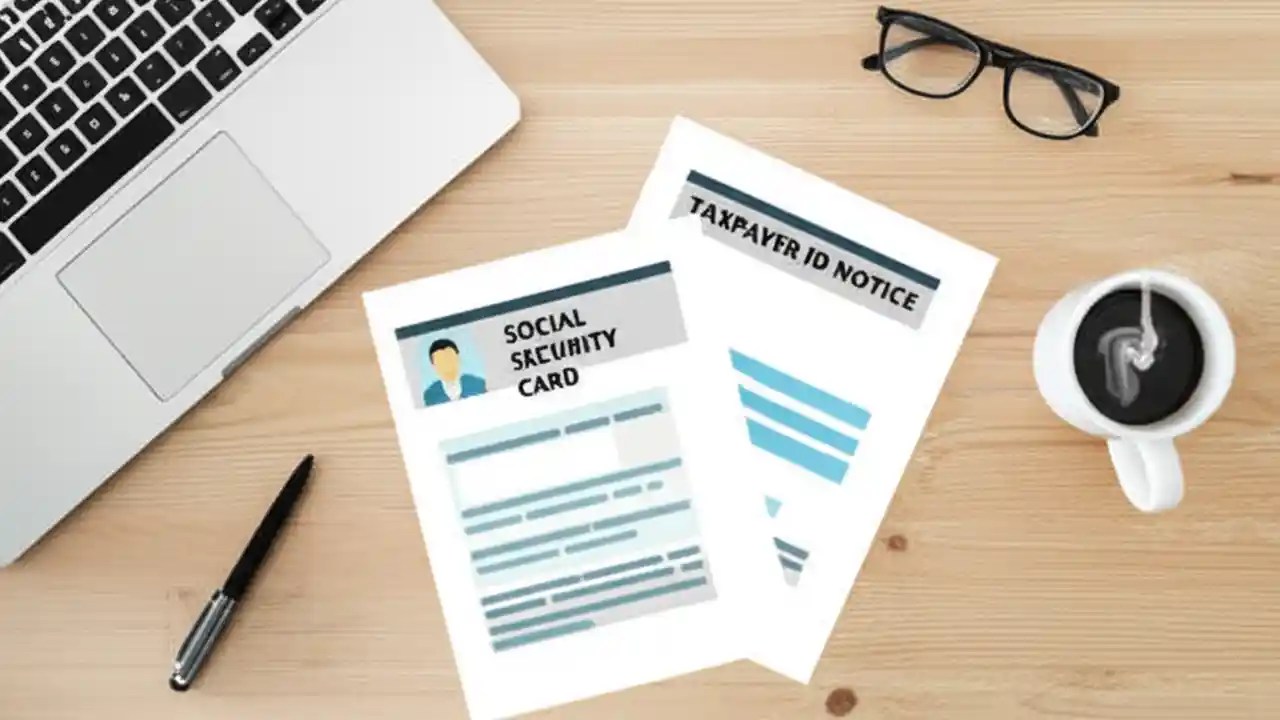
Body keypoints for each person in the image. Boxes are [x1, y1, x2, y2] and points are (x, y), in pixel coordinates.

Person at [423, 339, 487, 407]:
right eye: (441, 362)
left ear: (458, 359)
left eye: (450, 359)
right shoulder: (429, 396)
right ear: (433, 366)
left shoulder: (479, 384)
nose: (447, 366)